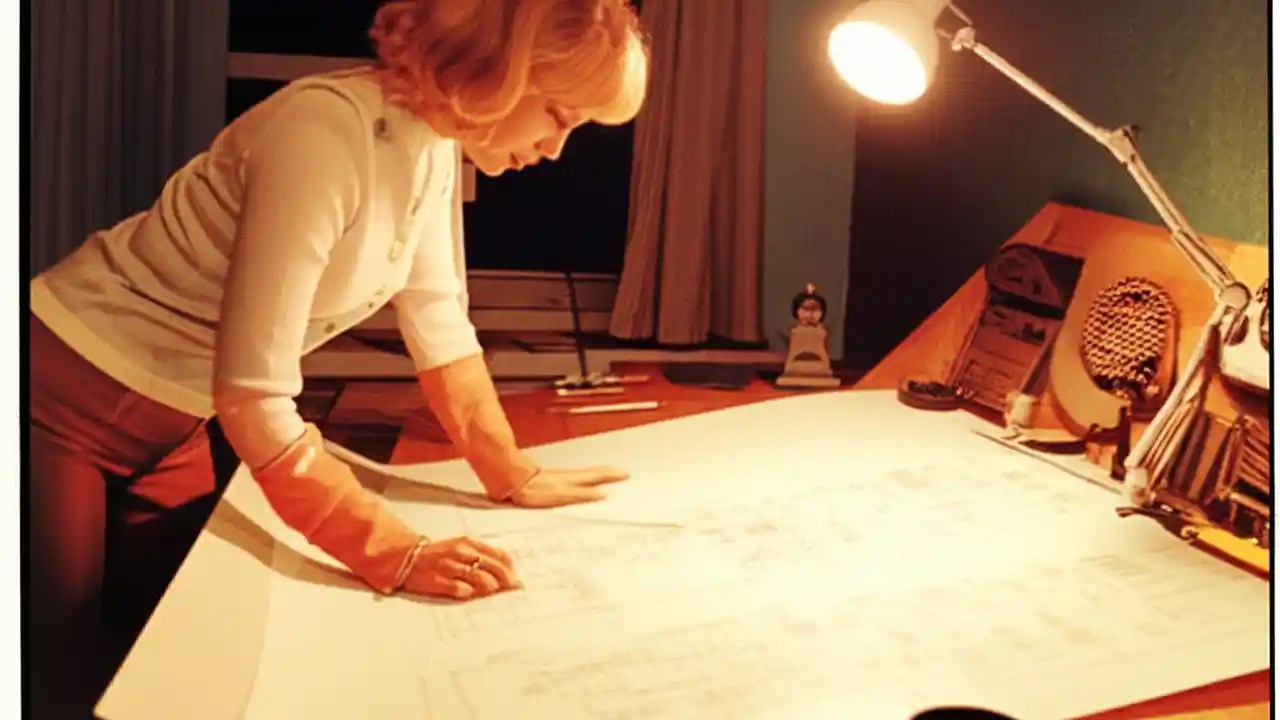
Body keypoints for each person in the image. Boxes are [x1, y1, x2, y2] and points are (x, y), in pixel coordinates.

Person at [27, 0, 649, 716]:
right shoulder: (322, 131)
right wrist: (396, 551)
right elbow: (254, 397)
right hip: (51, 395)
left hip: (174, 425)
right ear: (499, 70)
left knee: (173, 654)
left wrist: (512, 472)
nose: (555, 150)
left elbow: (439, 317)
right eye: (559, 116)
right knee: (61, 669)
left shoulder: (431, 145)